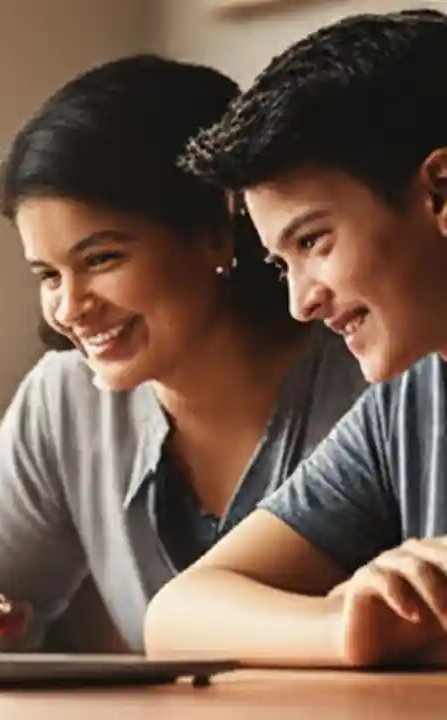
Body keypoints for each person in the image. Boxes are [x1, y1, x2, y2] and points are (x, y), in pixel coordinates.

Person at [0, 55, 367, 660]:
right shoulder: (68, 398)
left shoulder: (373, 377)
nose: (71, 308)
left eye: (102, 259)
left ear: (216, 230)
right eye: (48, 275)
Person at [144, 10, 447, 667]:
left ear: (441, 192)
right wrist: (348, 628)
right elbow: (178, 613)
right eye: (284, 263)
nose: (301, 302)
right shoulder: (408, 402)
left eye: (313, 241)